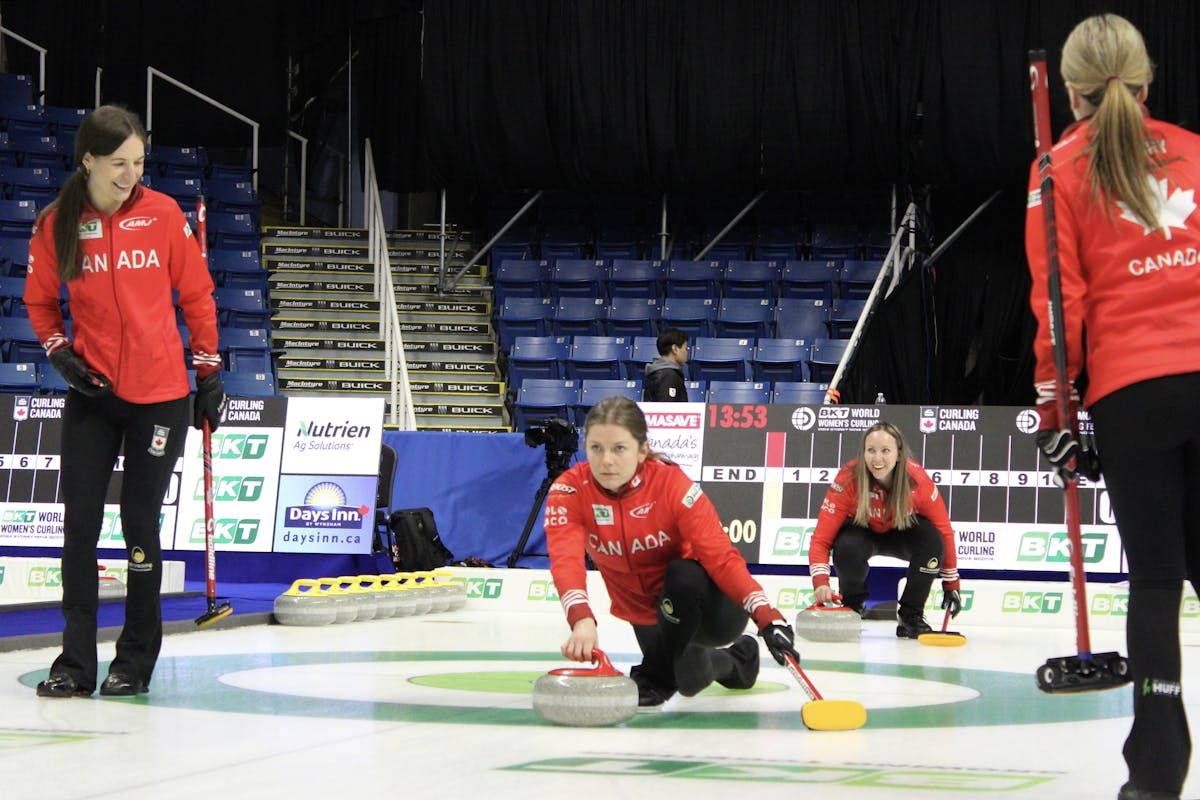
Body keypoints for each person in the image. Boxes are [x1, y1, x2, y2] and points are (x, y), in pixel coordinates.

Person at [1025, 14, 1200, 799]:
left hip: (1133, 392)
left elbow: (1060, 307)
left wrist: (1058, 419)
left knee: (1158, 581)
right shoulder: (1195, 151)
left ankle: (1156, 777)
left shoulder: (1056, 170)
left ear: (1070, 92)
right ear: (1146, 78)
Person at [24, 105, 226, 699]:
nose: (130, 174)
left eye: (138, 163)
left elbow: (198, 295)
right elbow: (40, 305)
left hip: (159, 397)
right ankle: (74, 664)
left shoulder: (163, 215)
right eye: (118, 164)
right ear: (87, 159)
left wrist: (208, 371)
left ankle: (134, 660)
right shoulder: (58, 221)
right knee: (79, 527)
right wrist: (60, 353)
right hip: (92, 396)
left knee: (140, 523)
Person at [544, 395, 798, 706]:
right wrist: (581, 617)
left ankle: (660, 673)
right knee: (688, 679)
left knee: (683, 574)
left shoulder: (671, 485)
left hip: (708, 607)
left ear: (642, 450)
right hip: (649, 613)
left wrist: (767, 616)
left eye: (619, 448)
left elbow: (721, 557)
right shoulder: (570, 490)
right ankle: (739, 660)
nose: (606, 460)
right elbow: (565, 557)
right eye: (596, 448)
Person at [807, 421, 961, 638]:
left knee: (932, 541)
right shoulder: (849, 478)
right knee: (845, 545)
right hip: (863, 533)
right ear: (863, 453)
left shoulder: (917, 481)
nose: (877, 459)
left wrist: (951, 583)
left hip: (902, 531)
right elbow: (821, 539)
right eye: (871, 450)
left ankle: (910, 615)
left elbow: (945, 531)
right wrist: (820, 582)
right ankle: (852, 608)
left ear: (899, 454)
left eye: (885, 451)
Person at [643, 327, 689, 402]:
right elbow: (668, 409)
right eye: (686, 348)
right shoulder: (669, 375)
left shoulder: (657, 371)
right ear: (675, 349)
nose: (687, 353)